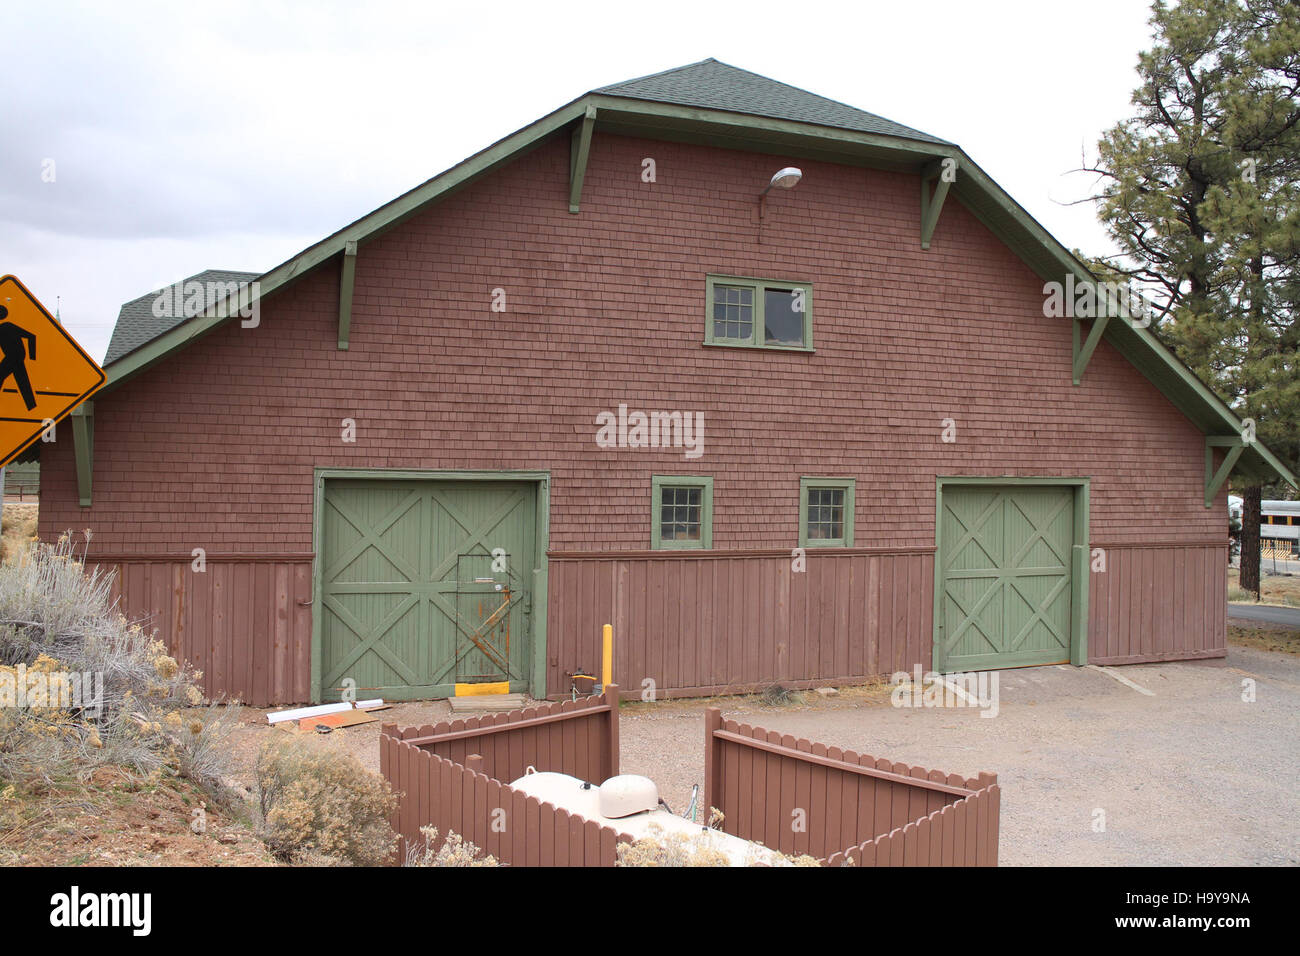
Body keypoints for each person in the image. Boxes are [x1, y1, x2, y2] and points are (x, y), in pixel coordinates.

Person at [0, 305, 38, 411]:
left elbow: (31, 337)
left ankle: (32, 406)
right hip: (17, 357)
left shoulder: (7, 326)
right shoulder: (6, 326)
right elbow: (32, 337)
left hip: (14, 356)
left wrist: (32, 358)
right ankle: (32, 407)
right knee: (23, 382)